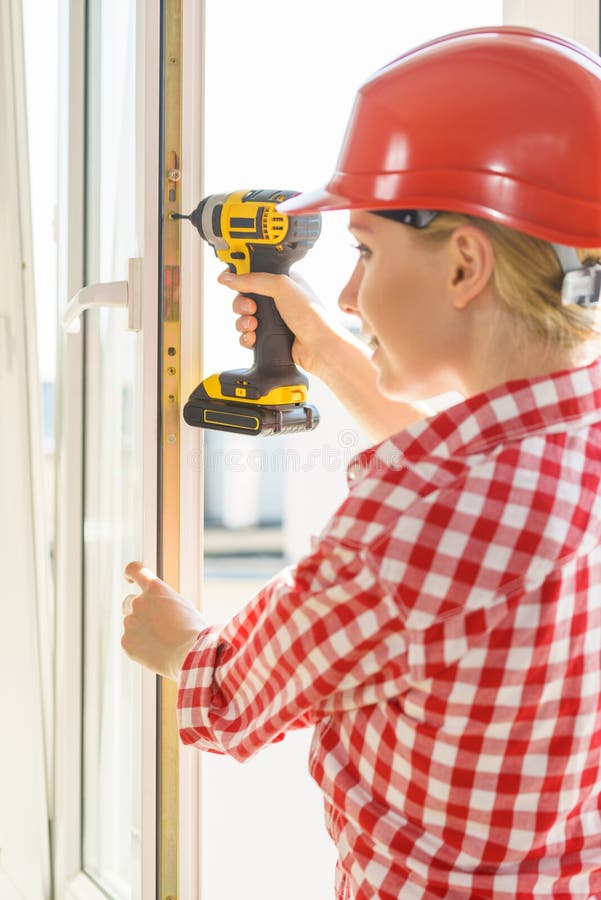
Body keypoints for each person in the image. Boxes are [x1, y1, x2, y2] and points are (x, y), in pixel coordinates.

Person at [121, 25, 601, 899]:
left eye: (366, 253)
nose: (344, 294)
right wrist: (335, 353)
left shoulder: (404, 535)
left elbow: (232, 695)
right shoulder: (560, 449)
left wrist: (172, 640)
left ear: (463, 265)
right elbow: (483, 473)